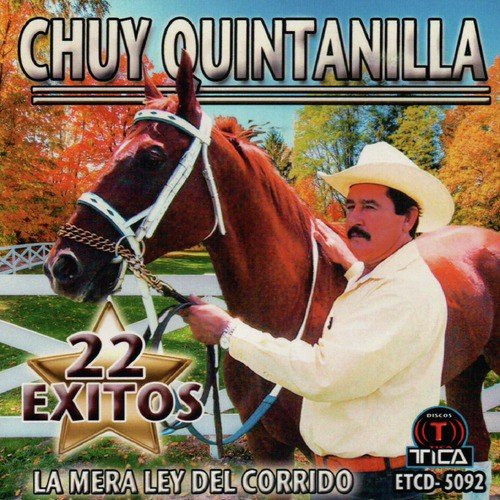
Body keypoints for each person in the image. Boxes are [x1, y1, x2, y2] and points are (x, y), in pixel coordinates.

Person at [181, 142, 455, 499]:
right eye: (351, 206)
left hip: (376, 486)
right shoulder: (384, 279)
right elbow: (374, 299)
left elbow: (324, 375)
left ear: (409, 218)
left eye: (370, 207)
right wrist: (351, 266)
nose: (354, 219)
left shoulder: (403, 294)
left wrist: (228, 331)